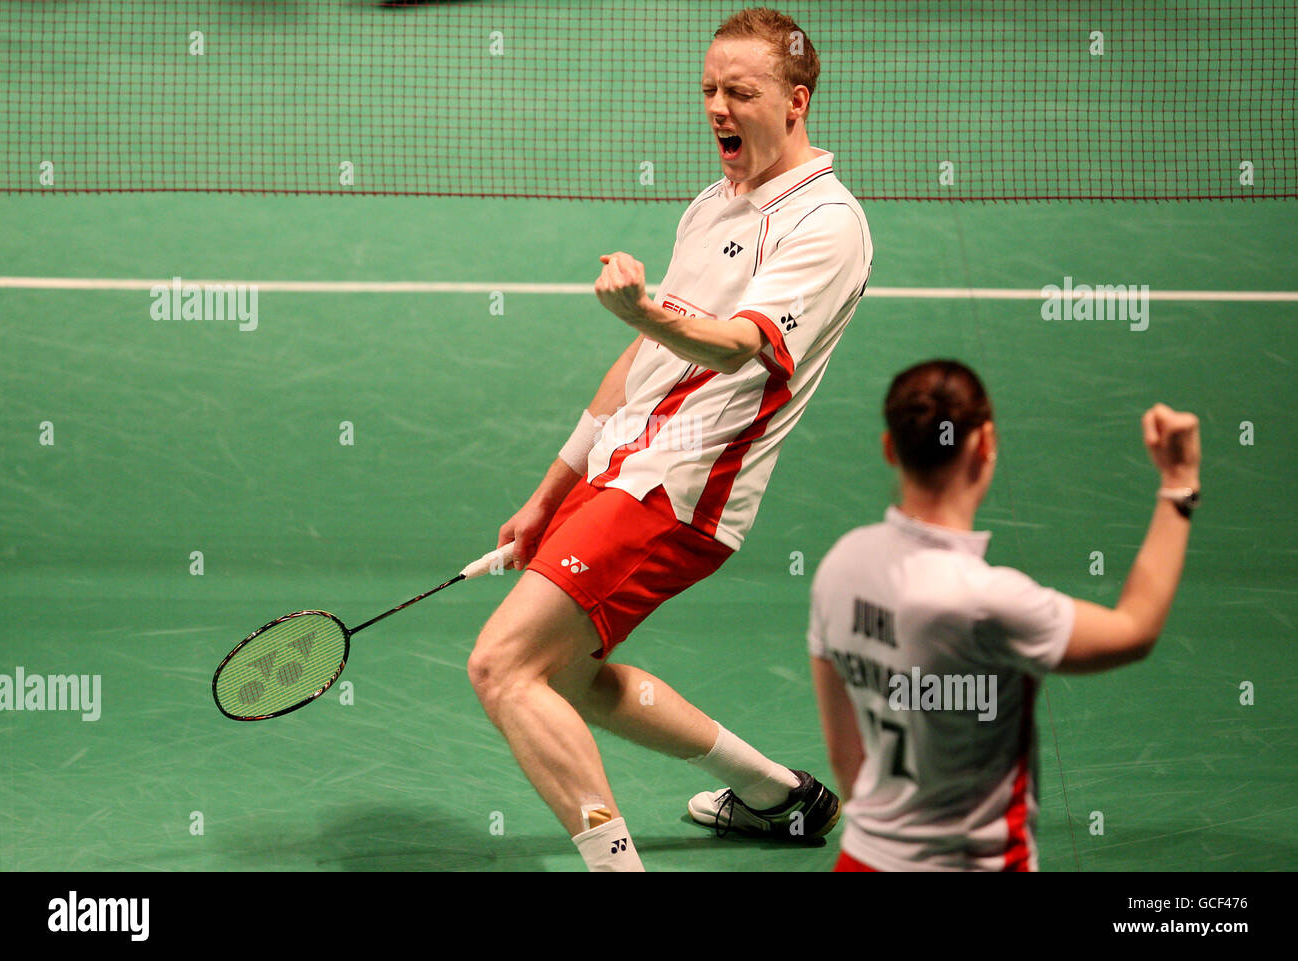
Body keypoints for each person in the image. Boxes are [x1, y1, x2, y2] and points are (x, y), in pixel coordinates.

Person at [467, 7, 873, 870]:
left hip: (684, 487)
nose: (719, 108)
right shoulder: (713, 203)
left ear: (796, 101)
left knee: (502, 668)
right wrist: (550, 489)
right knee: (566, 673)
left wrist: (646, 308)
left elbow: (741, 347)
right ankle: (781, 798)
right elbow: (643, 358)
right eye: (709, 90)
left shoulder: (826, 224)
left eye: (742, 92)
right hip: (625, 467)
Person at [808, 359, 1202, 871]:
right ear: (985, 445)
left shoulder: (840, 564)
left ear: (890, 448)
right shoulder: (987, 601)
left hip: (863, 858)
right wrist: (1179, 481)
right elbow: (1135, 629)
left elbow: (846, 757)